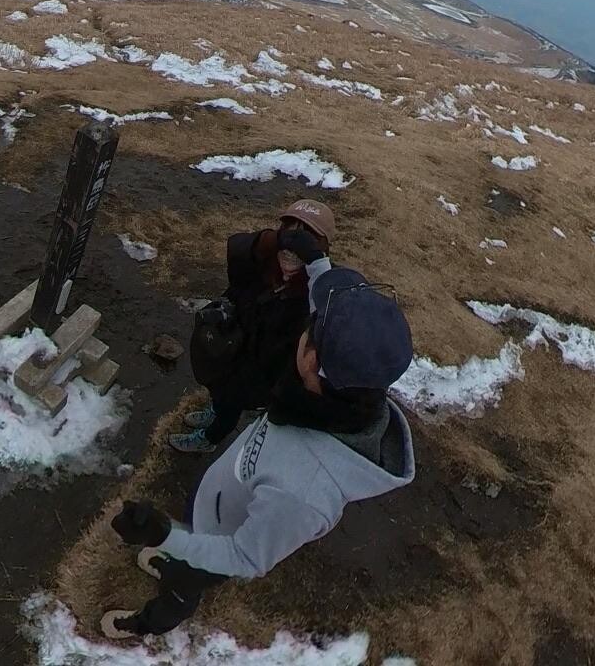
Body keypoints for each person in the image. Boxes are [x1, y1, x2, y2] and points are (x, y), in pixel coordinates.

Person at [102, 268, 416, 639]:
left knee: (180, 590)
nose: (305, 323)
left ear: (311, 360)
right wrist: (313, 256)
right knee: (178, 559)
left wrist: (163, 534)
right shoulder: (333, 397)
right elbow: (320, 297)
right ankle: (170, 560)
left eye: (311, 326)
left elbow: (243, 557)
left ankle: (145, 624)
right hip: (212, 507)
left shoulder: (304, 494)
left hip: (216, 546)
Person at [173, 199, 337, 454]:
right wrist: (270, 241)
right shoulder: (264, 263)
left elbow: (323, 326)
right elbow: (238, 251)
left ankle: (210, 437)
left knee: (231, 405)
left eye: (306, 239)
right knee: (220, 392)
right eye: (289, 233)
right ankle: (214, 411)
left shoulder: (319, 289)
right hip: (233, 349)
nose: (291, 251)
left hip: (262, 372)